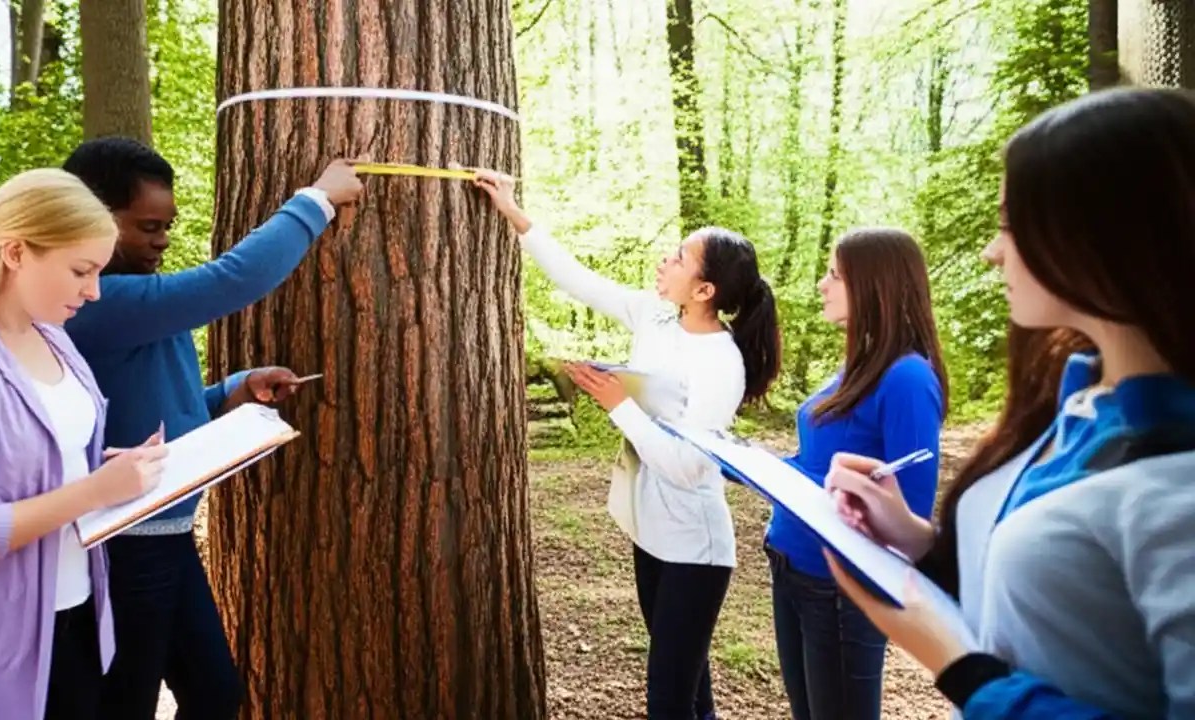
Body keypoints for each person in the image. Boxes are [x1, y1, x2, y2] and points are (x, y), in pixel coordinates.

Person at [824, 87, 1195, 719]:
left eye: (1008, 225)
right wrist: (917, 541)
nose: (992, 251)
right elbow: (1066, 604)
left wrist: (960, 668)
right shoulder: (1076, 405)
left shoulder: (1178, 479)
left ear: (1104, 237)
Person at [61, 137, 364, 719]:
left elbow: (163, 412)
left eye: (167, 225)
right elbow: (230, 281)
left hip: (168, 536)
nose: (162, 239)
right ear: (91, 216)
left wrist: (232, 390)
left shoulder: (134, 299)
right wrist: (318, 199)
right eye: (147, 225)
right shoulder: (99, 301)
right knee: (126, 703)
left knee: (214, 694)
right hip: (124, 545)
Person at [473, 168, 782, 720]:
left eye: (680, 258)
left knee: (668, 701)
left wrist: (620, 405)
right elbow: (578, 280)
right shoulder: (655, 316)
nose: (666, 261)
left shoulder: (721, 363)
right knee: (690, 693)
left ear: (705, 290)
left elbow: (690, 467)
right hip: (651, 534)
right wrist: (511, 210)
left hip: (695, 547)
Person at [0, 169, 168, 720]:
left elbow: (41, 458)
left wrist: (109, 470)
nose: (94, 291)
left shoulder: (54, 339)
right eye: (81, 270)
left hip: (75, 617)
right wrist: (91, 491)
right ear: (14, 252)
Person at [766, 228, 948, 720]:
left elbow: (906, 513)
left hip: (840, 589)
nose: (823, 285)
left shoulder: (907, 378)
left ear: (875, 286)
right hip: (794, 568)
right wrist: (749, 463)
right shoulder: (858, 364)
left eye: (835, 275)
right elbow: (818, 466)